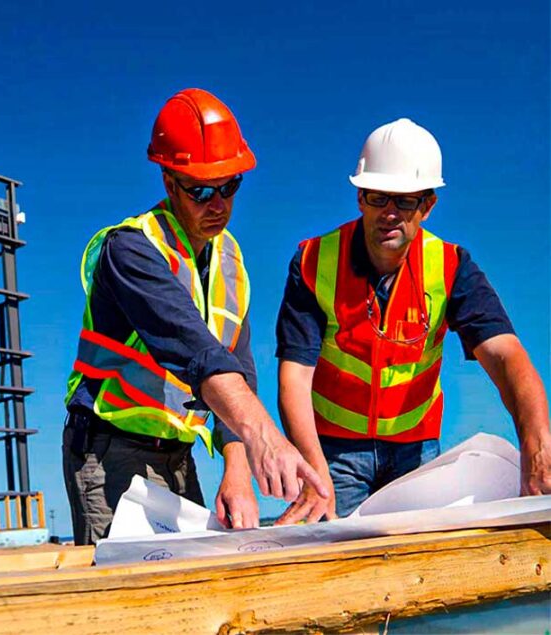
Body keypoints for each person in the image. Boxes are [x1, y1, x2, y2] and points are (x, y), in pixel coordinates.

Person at [62, 88, 326, 545]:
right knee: (129, 585)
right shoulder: (131, 249)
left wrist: (237, 470)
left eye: (229, 187)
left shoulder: (230, 261)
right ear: (169, 183)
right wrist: (264, 436)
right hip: (108, 450)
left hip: (179, 456)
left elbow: (238, 367)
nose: (217, 204)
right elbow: (196, 351)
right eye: (201, 190)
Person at [275, 118, 551, 524]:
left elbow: (506, 356)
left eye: (404, 201)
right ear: (360, 198)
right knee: (330, 553)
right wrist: (314, 472)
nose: (390, 213)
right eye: (378, 197)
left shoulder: (452, 267)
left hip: (416, 453)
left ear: (427, 205)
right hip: (332, 451)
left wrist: (538, 449)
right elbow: (295, 377)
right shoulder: (314, 261)